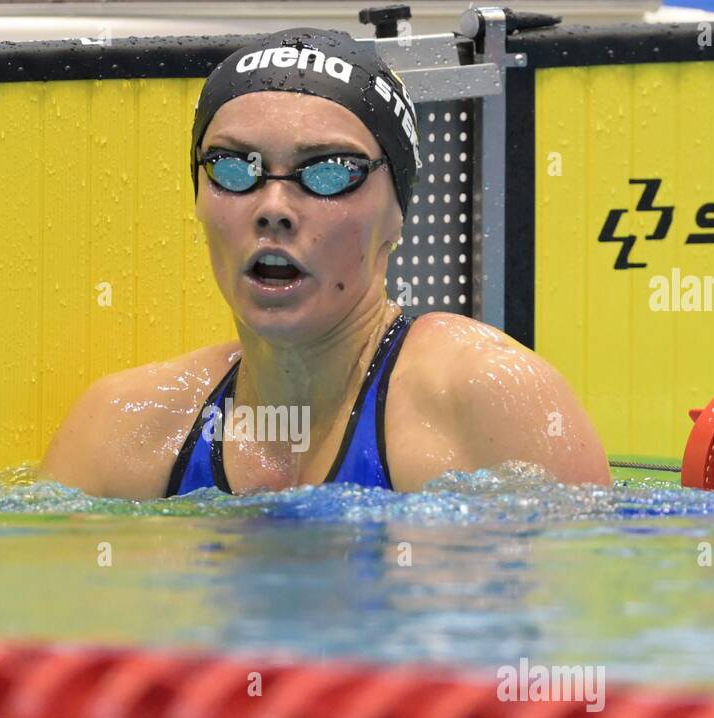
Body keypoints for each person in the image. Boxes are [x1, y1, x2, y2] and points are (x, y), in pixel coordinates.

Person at [41, 28, 610, 498]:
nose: (273, 208)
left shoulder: (489, 403)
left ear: (398, 214)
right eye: (234, 168)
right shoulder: (123, 430)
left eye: (328, 171)